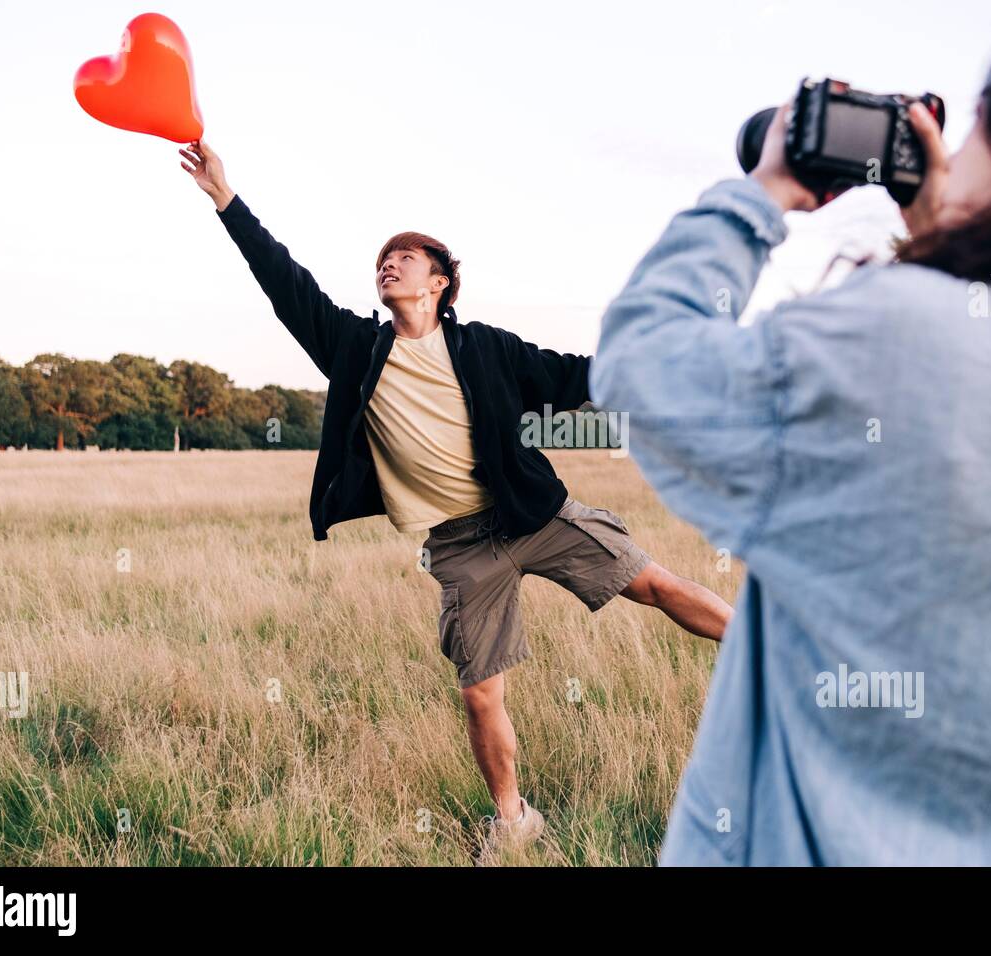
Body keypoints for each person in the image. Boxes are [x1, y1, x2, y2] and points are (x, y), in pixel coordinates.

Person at [592, 8, 991, 865]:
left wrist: (764, 191)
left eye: (977, 129)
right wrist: (941, 224)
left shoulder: (892, 335)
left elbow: (645, 367)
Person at [180, 141, 733, 858]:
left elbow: (572, 376)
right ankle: (513, 820)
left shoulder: (485, 348)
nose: (388, 264)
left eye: (405, 257)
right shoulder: (356, 348)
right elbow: (285, 282)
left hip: (536, 517)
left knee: (653, 583)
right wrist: (227, 199)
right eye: (383, 259)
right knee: (480, 692)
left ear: (439, 283)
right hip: (461, 547)